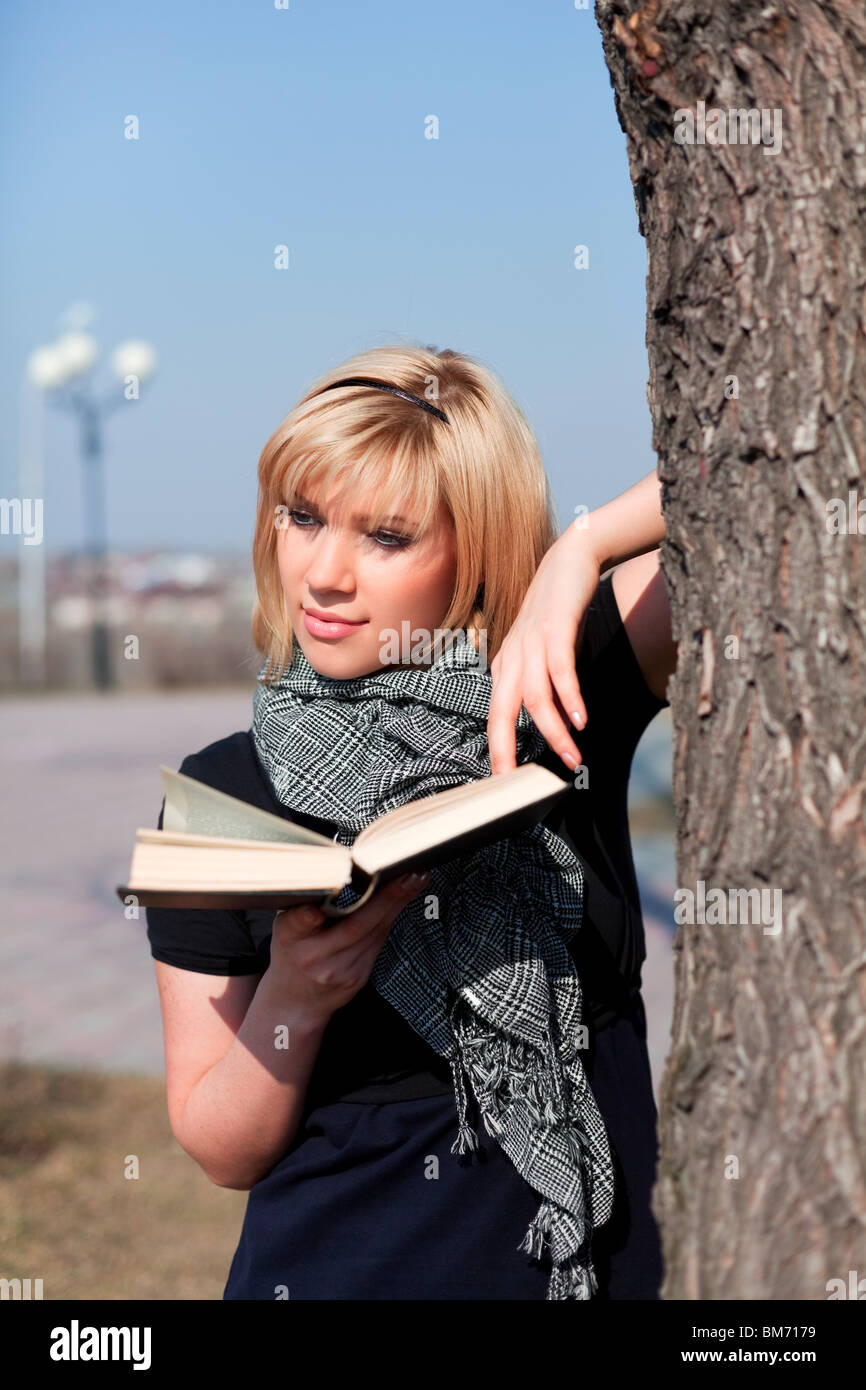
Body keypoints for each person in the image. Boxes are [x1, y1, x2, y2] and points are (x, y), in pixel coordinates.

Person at [145, 343, 677, 1301]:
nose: (325, 574)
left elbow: (783, 470)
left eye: (386, 537)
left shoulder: (559, 687)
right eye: (301, 517)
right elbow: (218, 1146)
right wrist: (295, 1002)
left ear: (476, 546)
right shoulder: (221, 797)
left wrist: (584, 548)